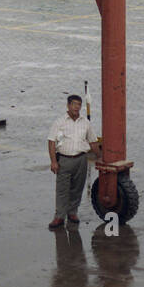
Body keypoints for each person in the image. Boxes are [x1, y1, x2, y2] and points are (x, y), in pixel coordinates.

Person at [47, 93, 100, 228]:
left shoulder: (85, 123)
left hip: (81, 160)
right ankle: (59, 217)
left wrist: (100, 157)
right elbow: (51, 142)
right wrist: (53, 161)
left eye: (79, 105)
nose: (77, 107)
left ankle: (72, 213)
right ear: (68, 105)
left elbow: (93, 141)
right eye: (74, 104)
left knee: (77, 188)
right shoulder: (59, 122)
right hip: (64, 160)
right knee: (62, 190)